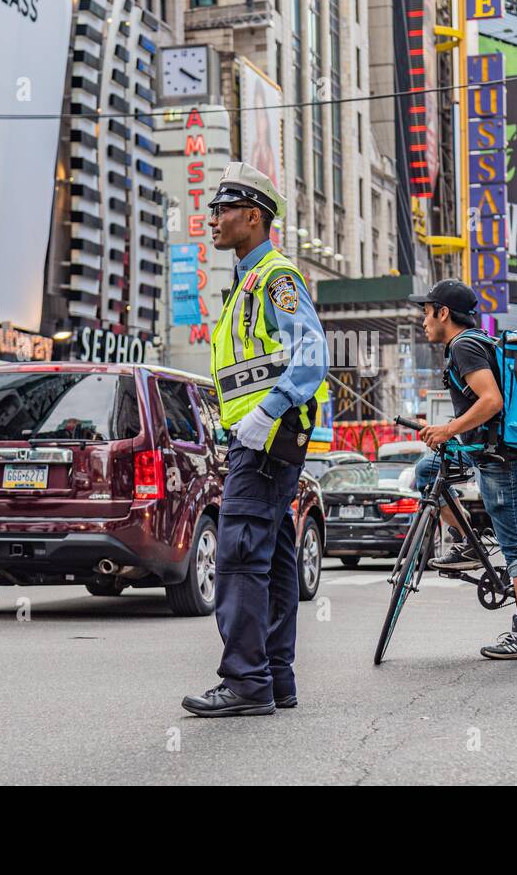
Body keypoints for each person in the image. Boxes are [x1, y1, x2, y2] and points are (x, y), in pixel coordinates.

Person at [182, 163, 328, 717]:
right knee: (274, 556)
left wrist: (266, 414)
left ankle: (245, 680)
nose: (212, 219)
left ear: (253, 216)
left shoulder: (275, 278)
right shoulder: (247, 281)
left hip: (267, 440)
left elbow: (312, 358)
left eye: (223, 209)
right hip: (259, 441)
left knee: (240, 556)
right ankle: (275, 678)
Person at [410, 280, 517, 660]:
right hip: (479, 449)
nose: (423, 320)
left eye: (426, 311)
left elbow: (491, 400)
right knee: (426, 471)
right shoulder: (474, 343)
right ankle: (470, 542)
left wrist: (448, 429)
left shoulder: (465, 345)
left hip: (503, 458)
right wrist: (449, 435)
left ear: (443, 313)